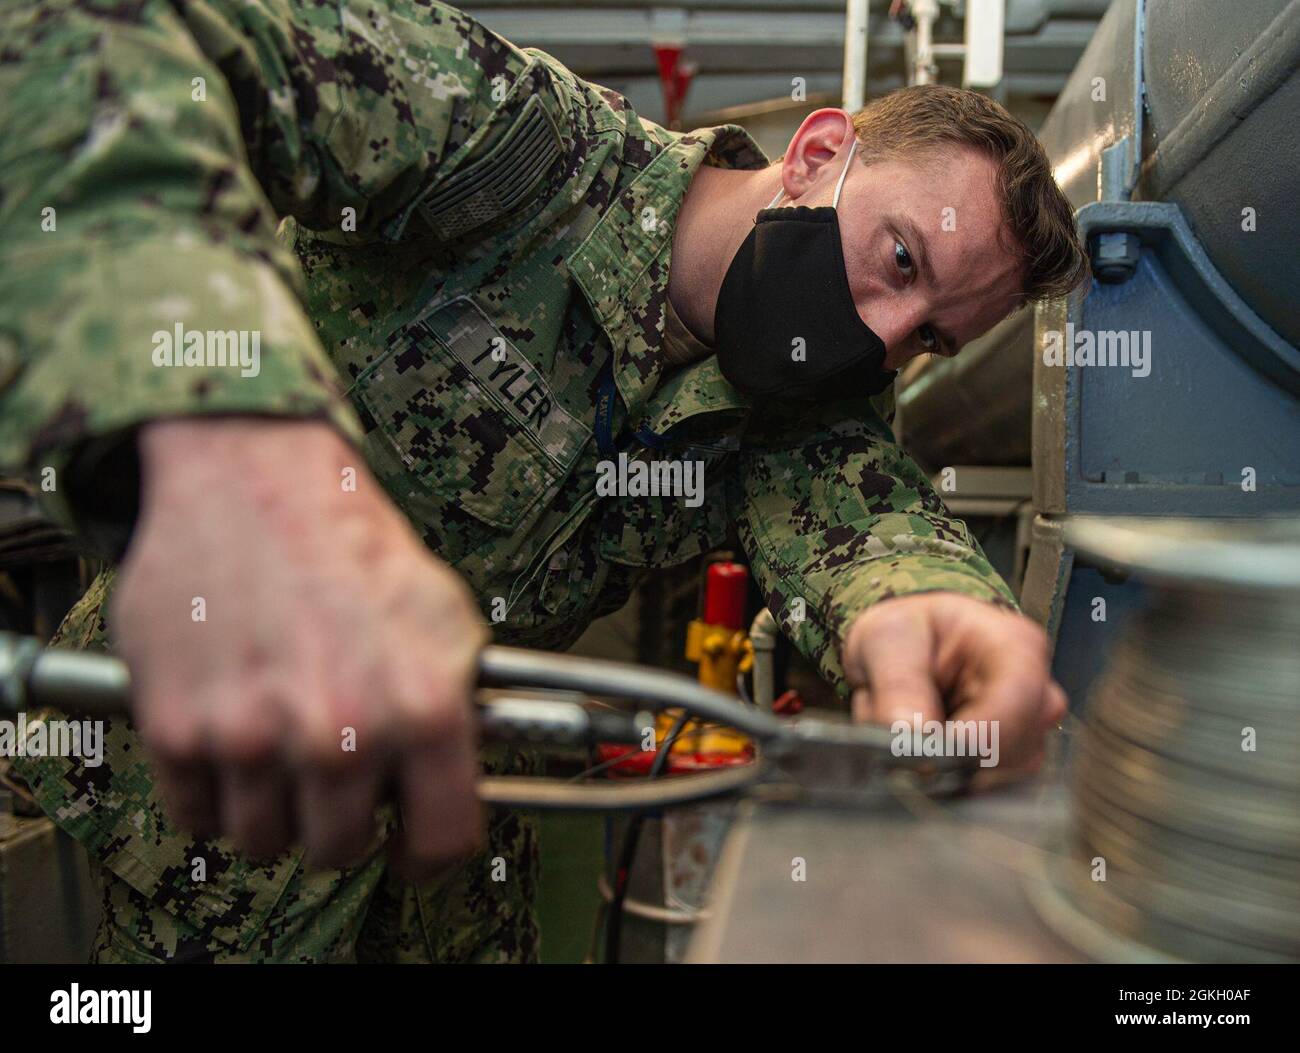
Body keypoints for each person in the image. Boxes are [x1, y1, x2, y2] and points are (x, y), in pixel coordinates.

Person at [0, 0, 1084, 962]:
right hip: (208, 804)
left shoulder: (808, 407)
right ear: (816, 151)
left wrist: (940, 615)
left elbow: (871, 523)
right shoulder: (510, 144)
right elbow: (109, 33)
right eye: (901, 262)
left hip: (447, 842)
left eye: (931, 336)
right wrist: (224, 440)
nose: (885, 337)